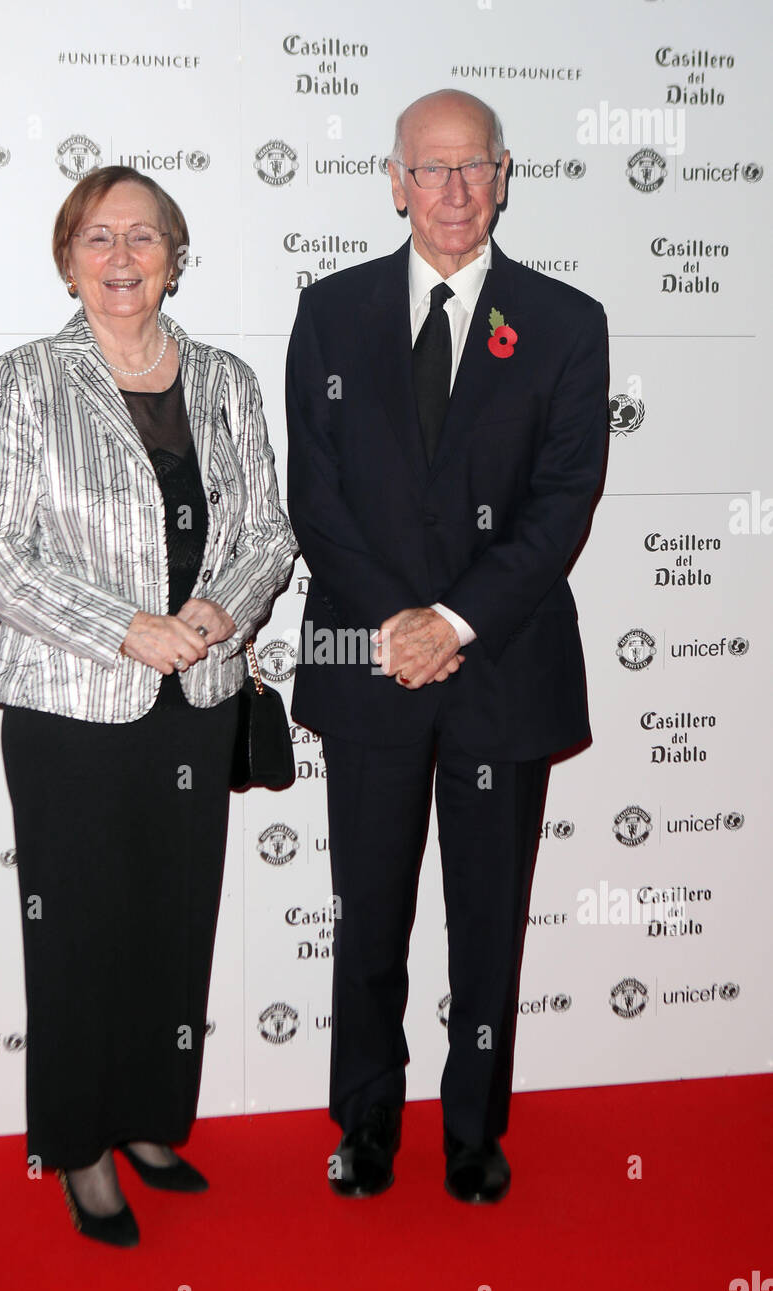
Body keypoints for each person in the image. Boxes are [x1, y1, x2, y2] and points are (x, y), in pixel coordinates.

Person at [0, 166, 296, 1246]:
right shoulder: (22, 381)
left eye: (141, 236)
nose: (120, 257)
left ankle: (153, 1117)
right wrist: (128, 627)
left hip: (196, 695)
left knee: (173, 920)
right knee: (78, 936)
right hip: (71, 711)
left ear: (173, 253)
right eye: (97, 238)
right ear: (68, 258)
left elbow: (268, 535)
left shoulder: (226, 381)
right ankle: (78, 1145)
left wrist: (215, 613)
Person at [285, 90, 608, 1202]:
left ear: (505, 175)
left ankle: (472, 1128)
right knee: (367, 912)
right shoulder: (329, 314)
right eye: (430, 169)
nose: (453, 190)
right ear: (393, 182)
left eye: (472, 167)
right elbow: (314, 501)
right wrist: (397, 626)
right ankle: (365, 1118)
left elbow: (561, 502)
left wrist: (454, 622)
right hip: (368, 670)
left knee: (485, 920)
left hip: (501, 669)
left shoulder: (565, 324)